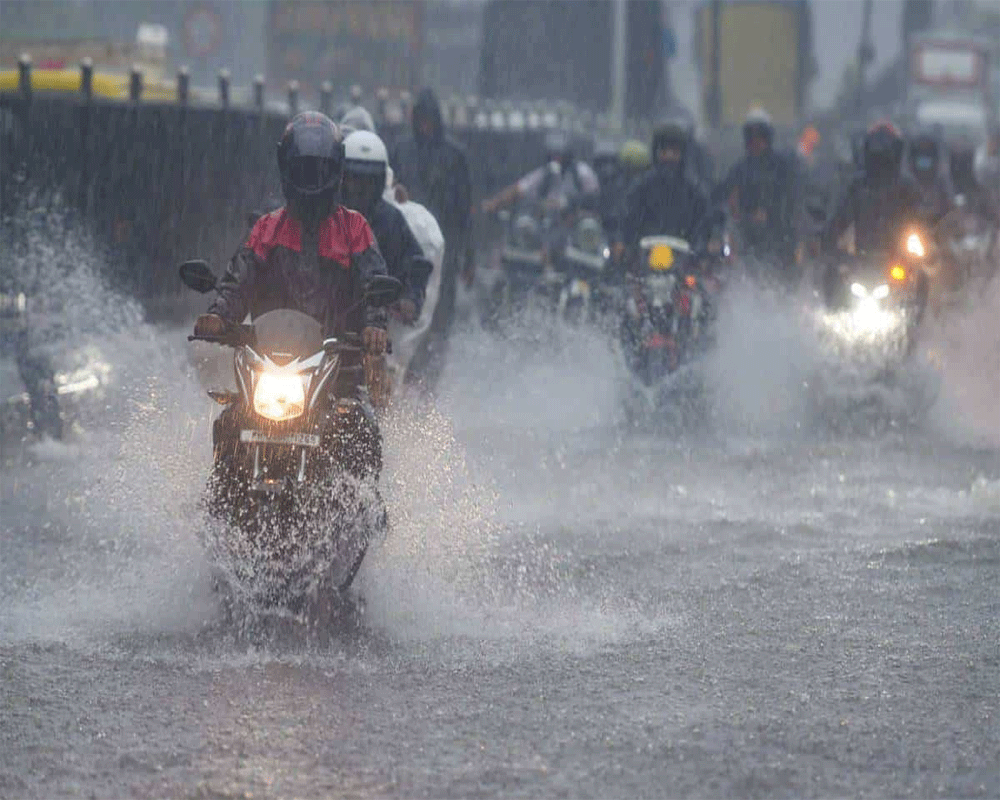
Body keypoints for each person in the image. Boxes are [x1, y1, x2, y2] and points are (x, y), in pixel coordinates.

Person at [193, 112, 390, 421]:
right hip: (268, 366)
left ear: (335, 172)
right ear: (287, 170)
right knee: (229, 423)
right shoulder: (266, 228)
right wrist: (218, 314)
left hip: (338, 369)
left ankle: (362, 471)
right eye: (303, 170)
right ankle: (220, 471)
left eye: (318, 171)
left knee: (359, 430)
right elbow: (238, 279)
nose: (311, 179)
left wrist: (374, 325)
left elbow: (374, 280)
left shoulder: (355, 228)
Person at [341, 130, 436, 389]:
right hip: (323, 325)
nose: (360, 188)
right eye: (354, 180)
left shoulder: (391, 221)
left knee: (378, 392)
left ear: (380, 180)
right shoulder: (324, 217)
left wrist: (410, 299)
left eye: (368, 181)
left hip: (375, 331)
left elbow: (417, 264)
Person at [390, 88, 473, 359]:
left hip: (444, 247)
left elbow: (464, 211)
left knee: (441, 311)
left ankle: (432, 365)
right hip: (407, 244)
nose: (425, 126)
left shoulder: (454, 157)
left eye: (429, 120)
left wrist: (469, 258)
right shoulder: (402, 152)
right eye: (421, 119)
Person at [712, 108, 800, 284]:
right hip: (747, 239)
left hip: (779, 238)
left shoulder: (782, 168)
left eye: (760, 137)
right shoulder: (739, 170)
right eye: (751, 138)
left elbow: (792, 199)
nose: (756, 142)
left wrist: (772, 214)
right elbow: (722, 198)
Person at [617, 118, 712, 272]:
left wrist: (701, 250)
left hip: (683, 263)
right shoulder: (641, 187)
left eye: (674, 152)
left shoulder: (694, 190)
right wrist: (625, 244)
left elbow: (703, 223)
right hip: (644, 262)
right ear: (656, 153)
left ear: (682, 155)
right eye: (664, 151)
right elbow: (628, 217)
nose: (668, 157)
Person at [820, 120, 927, 256]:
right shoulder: (859, 185)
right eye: (877, 148)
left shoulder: (906, 186)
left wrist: (925, 242)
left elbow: (921, 220)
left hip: (901, 259)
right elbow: (840, 219)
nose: (881, 156)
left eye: (886, 149)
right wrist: (828, 242)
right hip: (862, 259)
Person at [481, 130, 600, 215]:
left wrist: (569, 203)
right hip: (546, 226)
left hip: (575, 225)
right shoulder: (544, 175)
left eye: (560, 156)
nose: (556, 160)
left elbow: (594, 197)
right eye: (553, 156)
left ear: (568, 156)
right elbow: (519, 189)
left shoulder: (582, 174)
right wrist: (495, 203)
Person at [906, 128, 953, 222]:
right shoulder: (908, 187)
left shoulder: (941, 185)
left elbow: (949, 208)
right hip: (913, 227)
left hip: (936, 226)